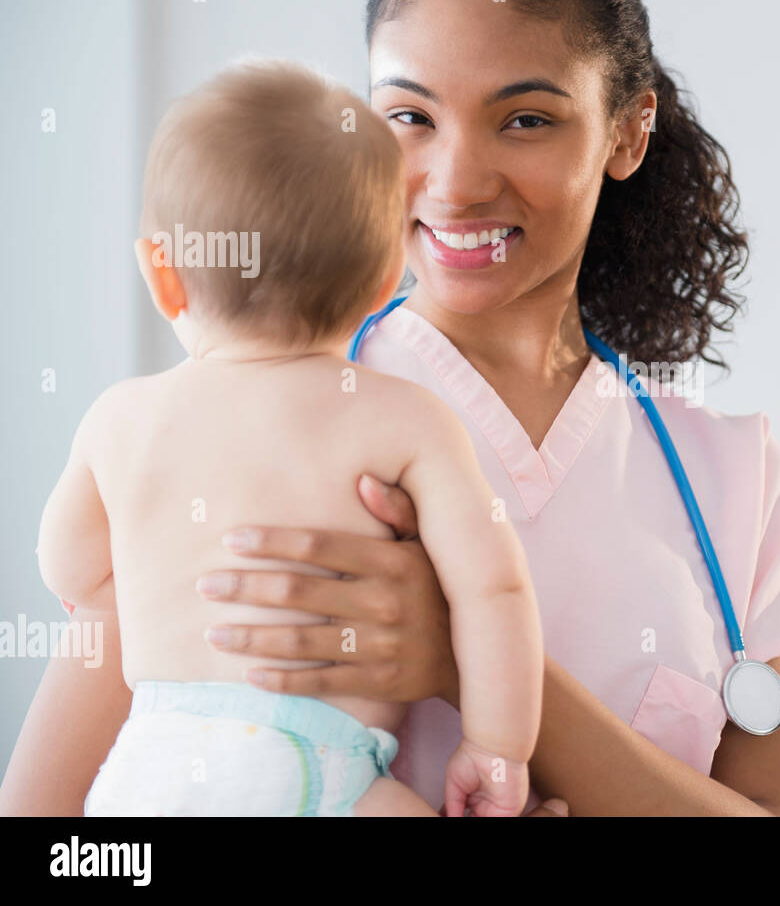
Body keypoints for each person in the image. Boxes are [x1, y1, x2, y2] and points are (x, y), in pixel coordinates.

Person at [1, 0, 780, 817]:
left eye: (525, 120)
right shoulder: (227, 424)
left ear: (627, 132)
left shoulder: (739, 484)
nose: (458, 182)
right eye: (410, 115)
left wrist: (457, 661)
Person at [36, 60, 544, 817]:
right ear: (383, 286)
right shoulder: (407, 418)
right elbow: (494, 588)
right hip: (319, 768)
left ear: (163, 276)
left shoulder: (120, 418)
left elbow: (69, 569)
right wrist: (497, 751)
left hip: (150, 766)